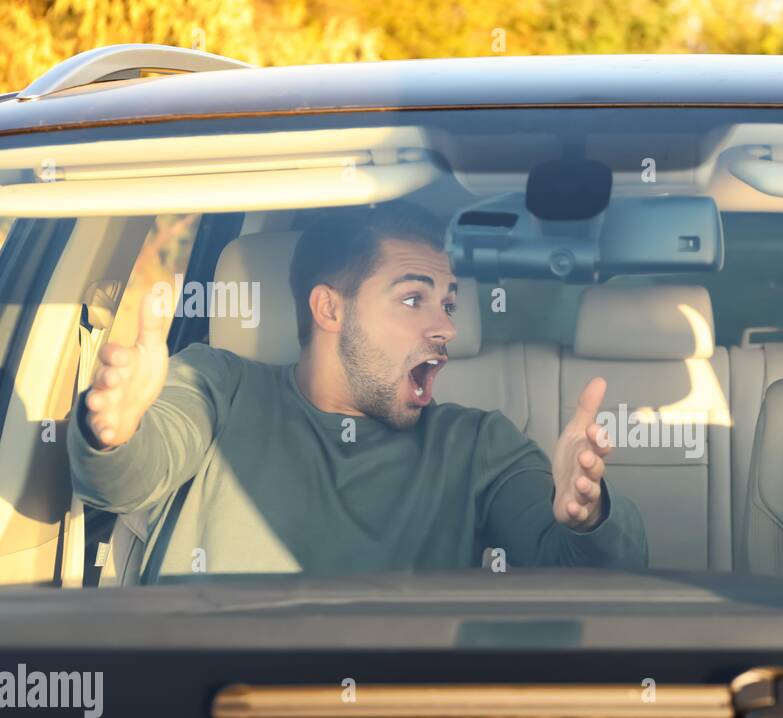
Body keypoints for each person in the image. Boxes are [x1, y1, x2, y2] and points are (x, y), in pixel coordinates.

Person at [69, 200, 648, 581]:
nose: (444, 325)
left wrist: (587, 517)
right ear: (329, 308)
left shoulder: (477, 445)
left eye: (448, 303)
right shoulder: (217, 385)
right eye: (413, 299)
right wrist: (114, 434)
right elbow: (128, 477)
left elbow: (583, 570)